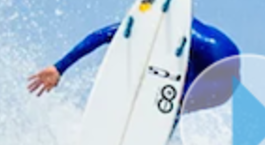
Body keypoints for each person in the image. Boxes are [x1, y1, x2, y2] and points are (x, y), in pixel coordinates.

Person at [27, 17, 240, 113]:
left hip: (220, 84)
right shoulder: (153, 25)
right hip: (204, 65)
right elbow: (104, 35)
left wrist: (60, 67)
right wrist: (59, 67)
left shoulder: (175, 31)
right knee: (158, 98)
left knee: (168, 106)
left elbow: (173, 106)